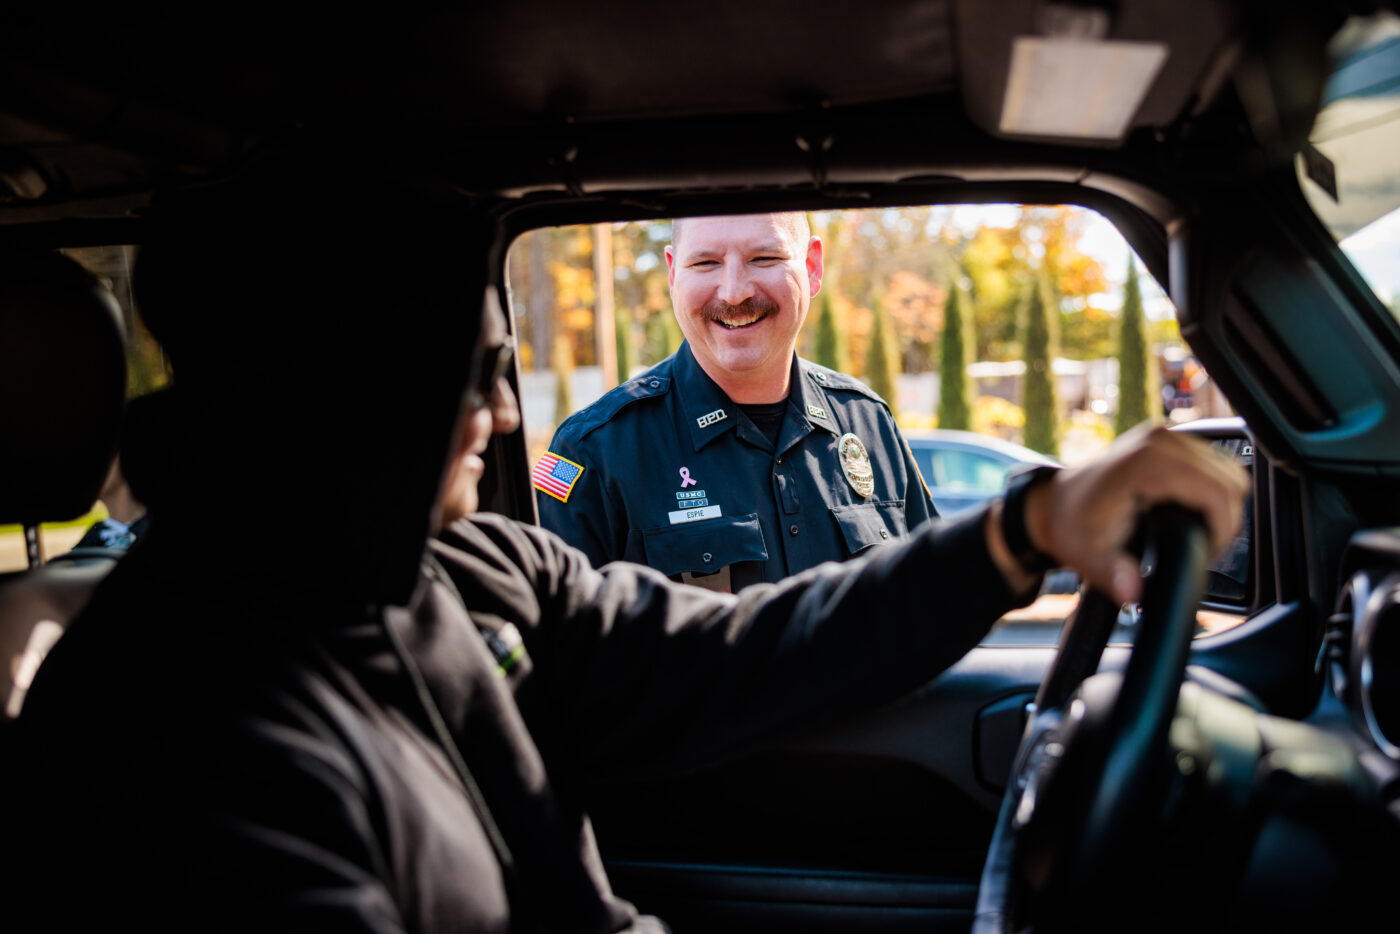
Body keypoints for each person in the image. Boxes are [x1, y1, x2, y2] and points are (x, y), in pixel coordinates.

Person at [8, 166, 1248, 932]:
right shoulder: (166, 729)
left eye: (498, 374)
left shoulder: (471, 575)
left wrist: (1025, 529)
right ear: (346, 392)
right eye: (471, 379)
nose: (499, 420)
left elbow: (753, 647)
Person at [535, 212, 936, 592]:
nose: (734, 291)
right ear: (673, 273)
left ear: (812, 267)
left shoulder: (869, 423)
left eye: (764, 258)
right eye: (705, 263)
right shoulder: (594, 450)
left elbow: (931, 606)